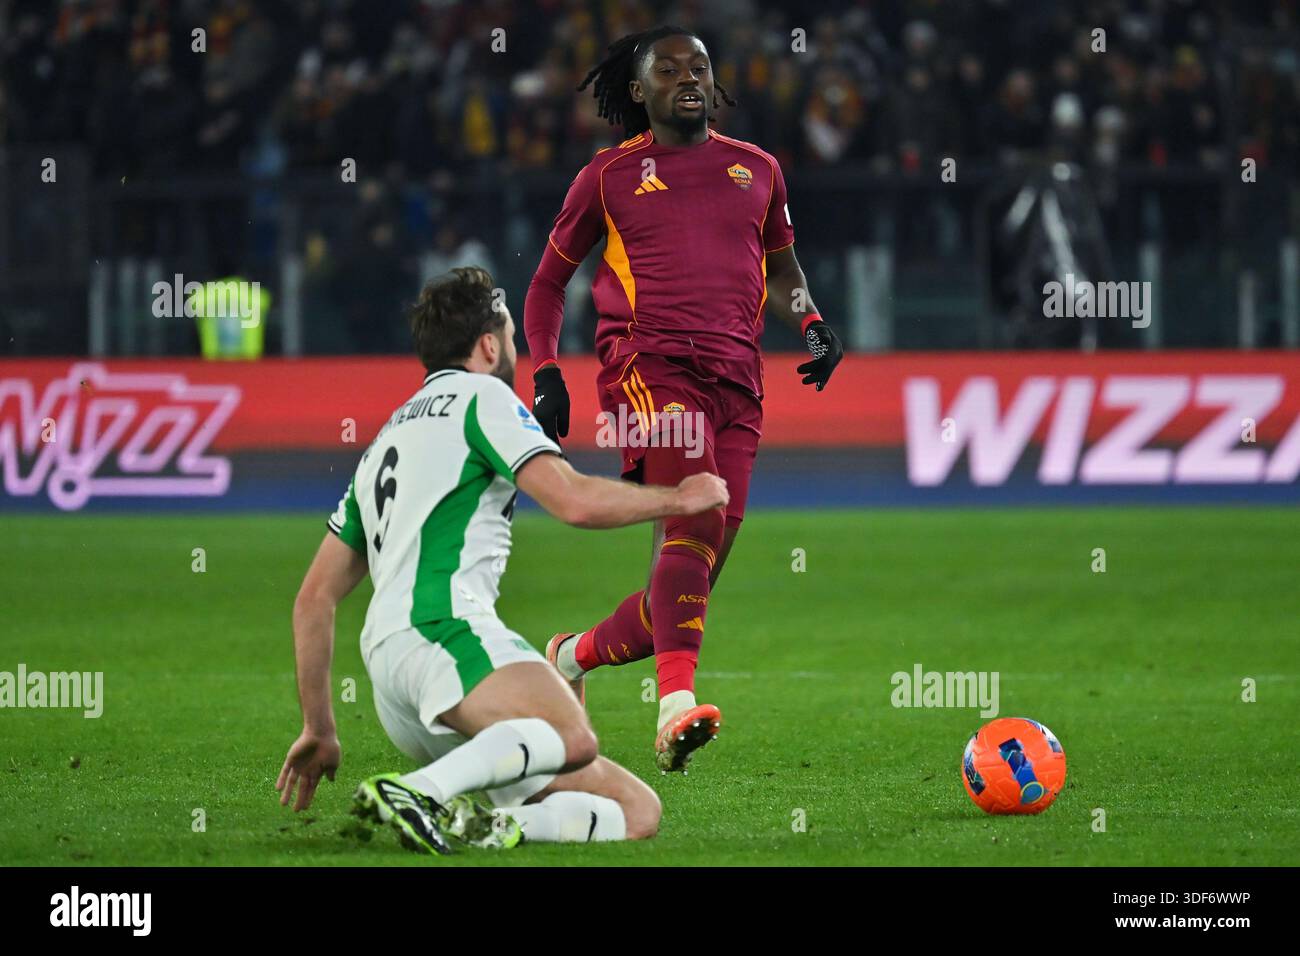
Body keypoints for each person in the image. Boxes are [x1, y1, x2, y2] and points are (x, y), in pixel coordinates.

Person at [276, 266, 729, 854]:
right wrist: (679, 498)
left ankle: (487, 824)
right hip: (446, 635)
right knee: (571, 733)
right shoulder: (484, 397)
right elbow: (571, 501)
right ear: (489, 345)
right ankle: (421, 791)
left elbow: (314, 599)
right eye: (512, 335)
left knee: (637, 810)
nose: (514, 348)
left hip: (394, 678)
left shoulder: (387, 437)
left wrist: (319, 727)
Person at [523, 26, 843, 773]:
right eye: (668, 70)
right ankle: (674, 708)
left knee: (689, 574)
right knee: (694, 515)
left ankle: (569, 656)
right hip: (648, 363)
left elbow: (784, 266)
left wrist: (813, 321)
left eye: (699, 66)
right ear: (639, 92)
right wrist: (545, 371)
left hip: (739, 377)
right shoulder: (607, 177)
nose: (688, 77)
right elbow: (545, 283)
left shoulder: (757, 169)